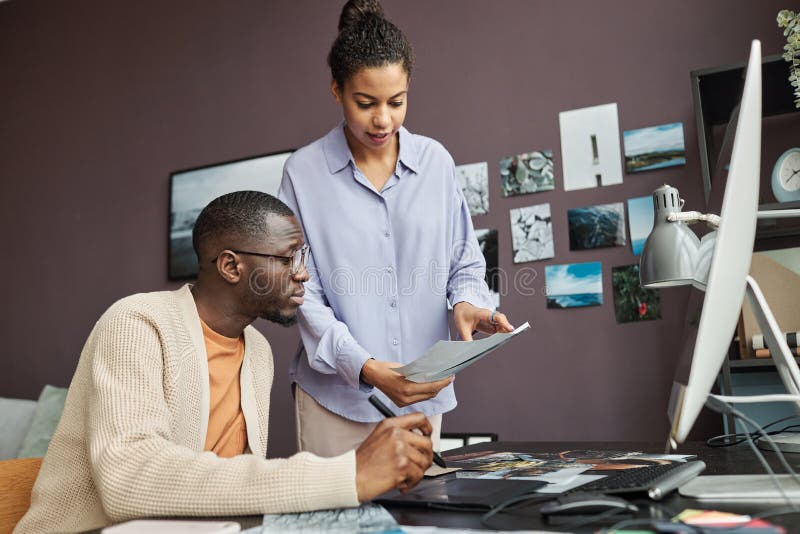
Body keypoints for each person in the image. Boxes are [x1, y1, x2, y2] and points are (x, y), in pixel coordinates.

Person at [15, 191, 434, 534]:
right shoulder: (136, 323)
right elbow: (129, 479)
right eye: (288, 259)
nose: (303, 274)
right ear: (231, 265)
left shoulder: (258, 350)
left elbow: (233, 484)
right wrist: (345, 475)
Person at [278, 0, 514, 459]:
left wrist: (469, 304)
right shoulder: (302, 174)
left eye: (396, 101)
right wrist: (364, 368)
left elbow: (464, 260)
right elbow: (302, 292)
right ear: (336, 90)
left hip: (422, 398)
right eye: (365, 103)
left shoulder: (436, 163)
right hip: (335, 404)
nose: (382, 119)